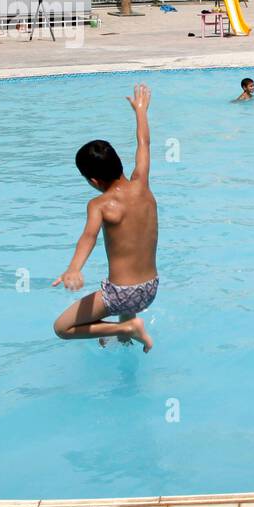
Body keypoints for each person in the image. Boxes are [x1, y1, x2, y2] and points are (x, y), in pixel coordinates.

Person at [52, 83, 159, 352]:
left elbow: (87, 238)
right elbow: (144, 143)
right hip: (150, 289)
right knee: (127, 301)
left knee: (62, 328)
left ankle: (127, 328)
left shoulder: (100, 204)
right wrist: (141, 111)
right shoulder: (142, 183)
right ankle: (123, 336)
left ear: (92, 180)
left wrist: (74, 268)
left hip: (121, 294)